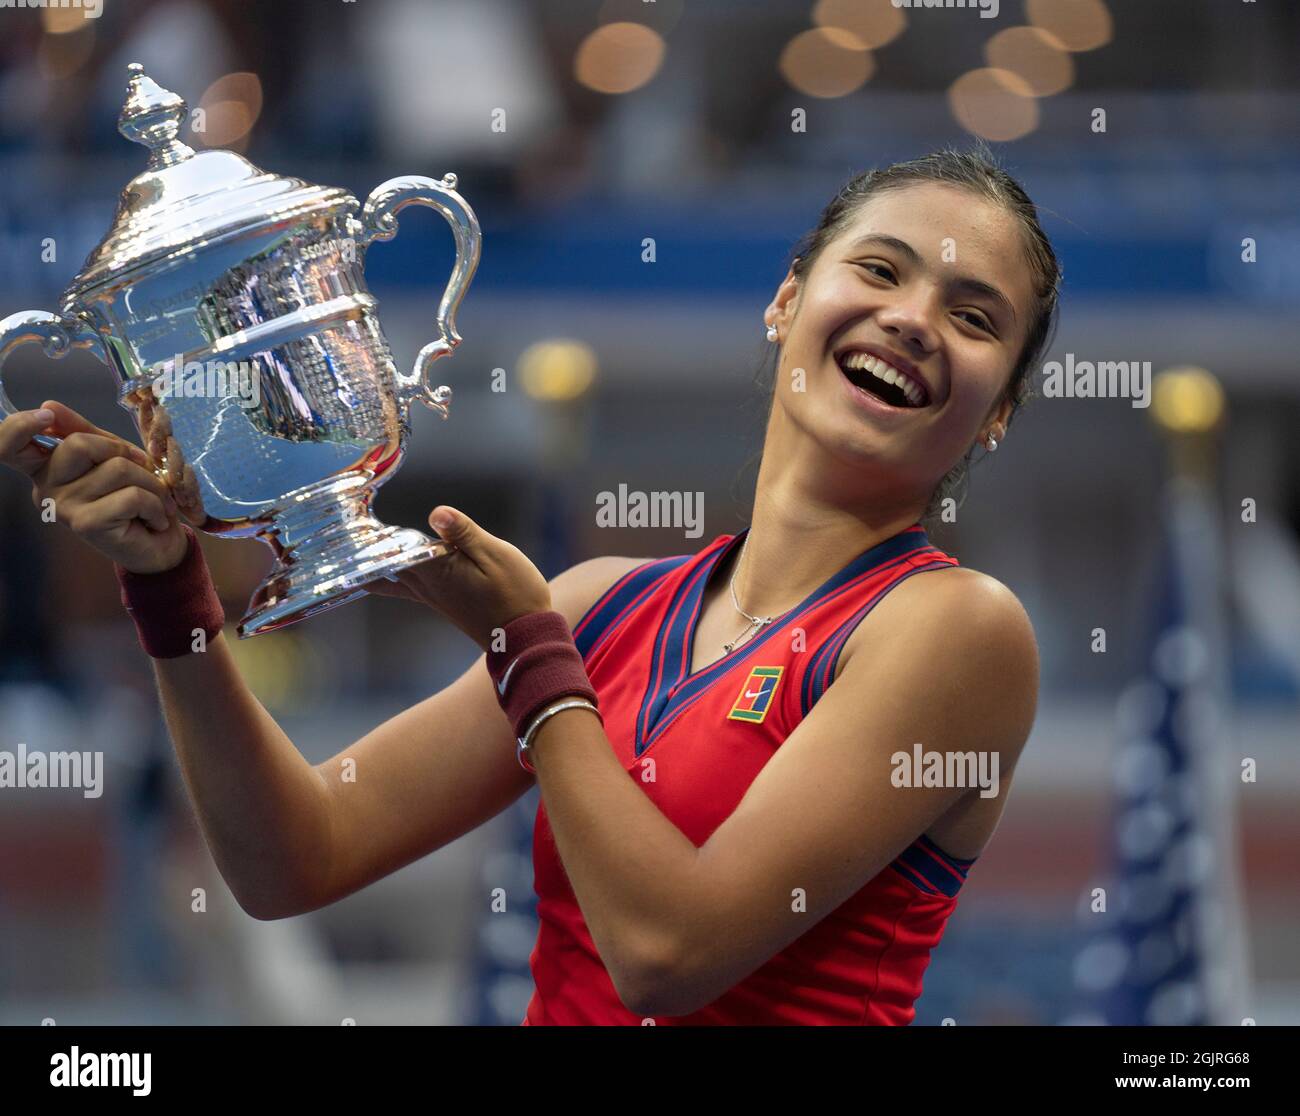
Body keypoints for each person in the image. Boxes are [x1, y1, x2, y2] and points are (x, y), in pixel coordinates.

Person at [0, 147, 1055, 1025]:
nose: (913, 317)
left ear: (999, 411)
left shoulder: (956, 628)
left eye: (973, 317)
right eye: (879, 270)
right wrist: (174, 593)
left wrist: (527, 659)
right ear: (787, 300)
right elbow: (293, 860)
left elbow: (665, 955)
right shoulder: (602, 605)